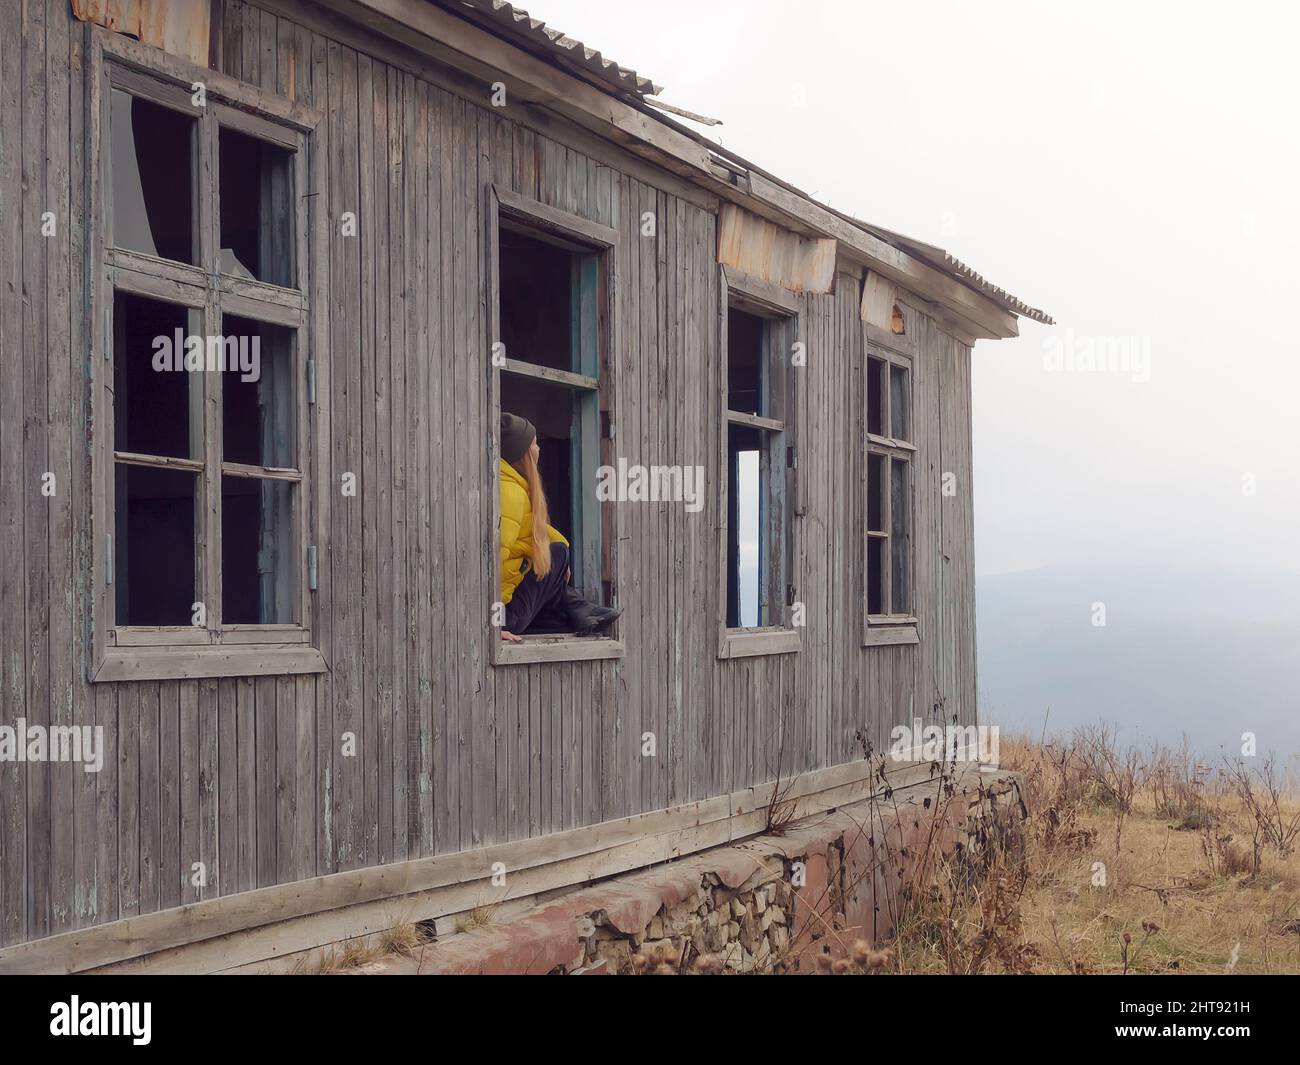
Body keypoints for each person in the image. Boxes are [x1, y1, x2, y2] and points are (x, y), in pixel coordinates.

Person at [498, 412, 620, 642]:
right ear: (522, 453)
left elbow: (536, 527)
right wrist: (491, 627)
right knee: (555, 554)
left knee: (562, 617)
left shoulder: (511, 486)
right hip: (502, 617)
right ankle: (579, 608)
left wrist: (561, 545)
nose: (538, 449)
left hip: (505, 611)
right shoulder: (510, 494)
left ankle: (578, 610)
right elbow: (490, 567)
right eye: (534, 444)